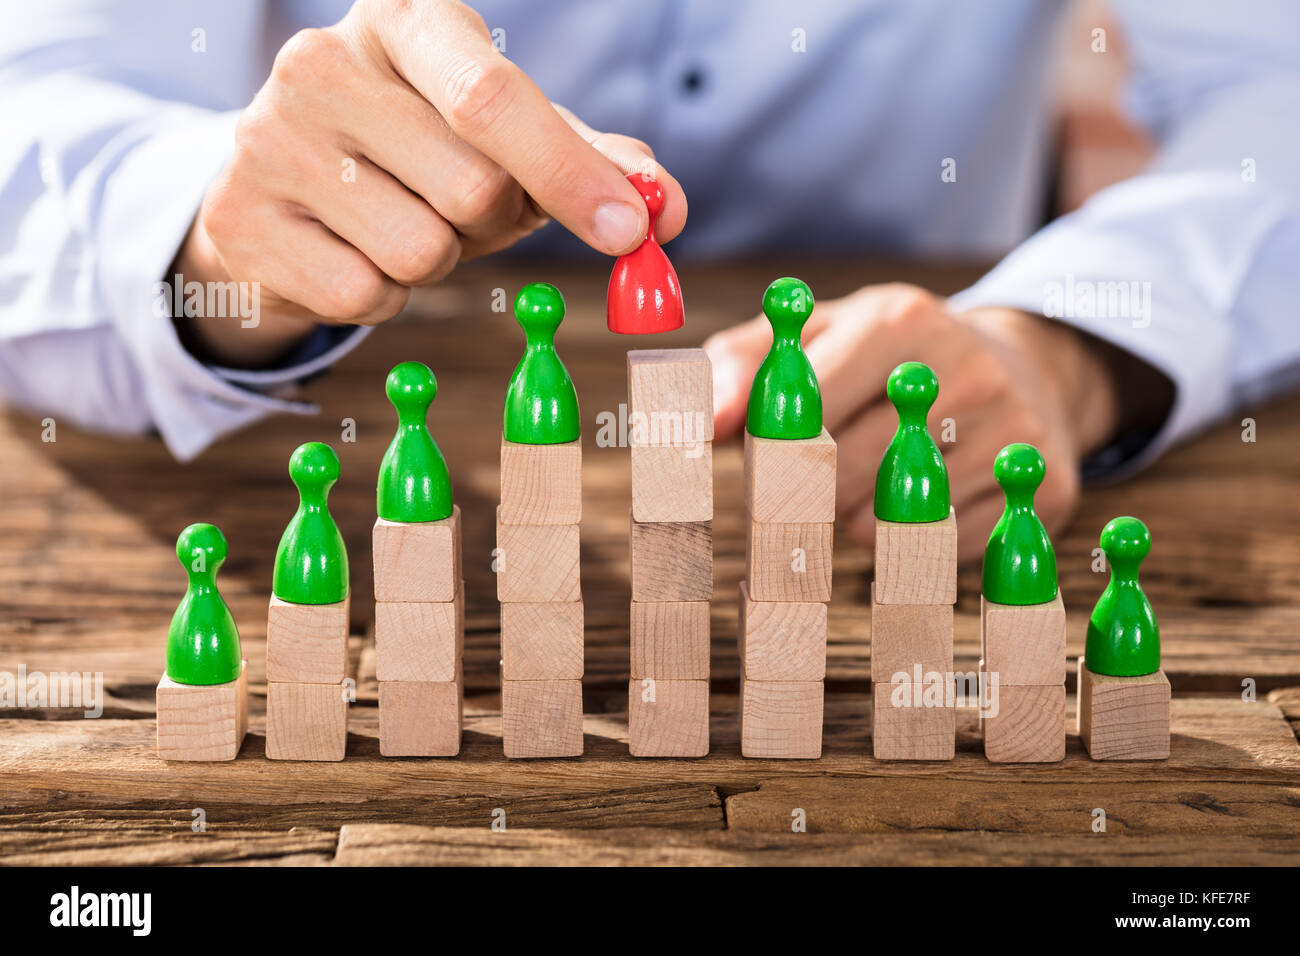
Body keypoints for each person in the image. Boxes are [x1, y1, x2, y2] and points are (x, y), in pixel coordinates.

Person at [2, 0, 1297, 561]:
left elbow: (1275, 82)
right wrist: (217, 242)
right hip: (345, 382)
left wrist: (1062, 344)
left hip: (916, 384)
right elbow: (35, 104)